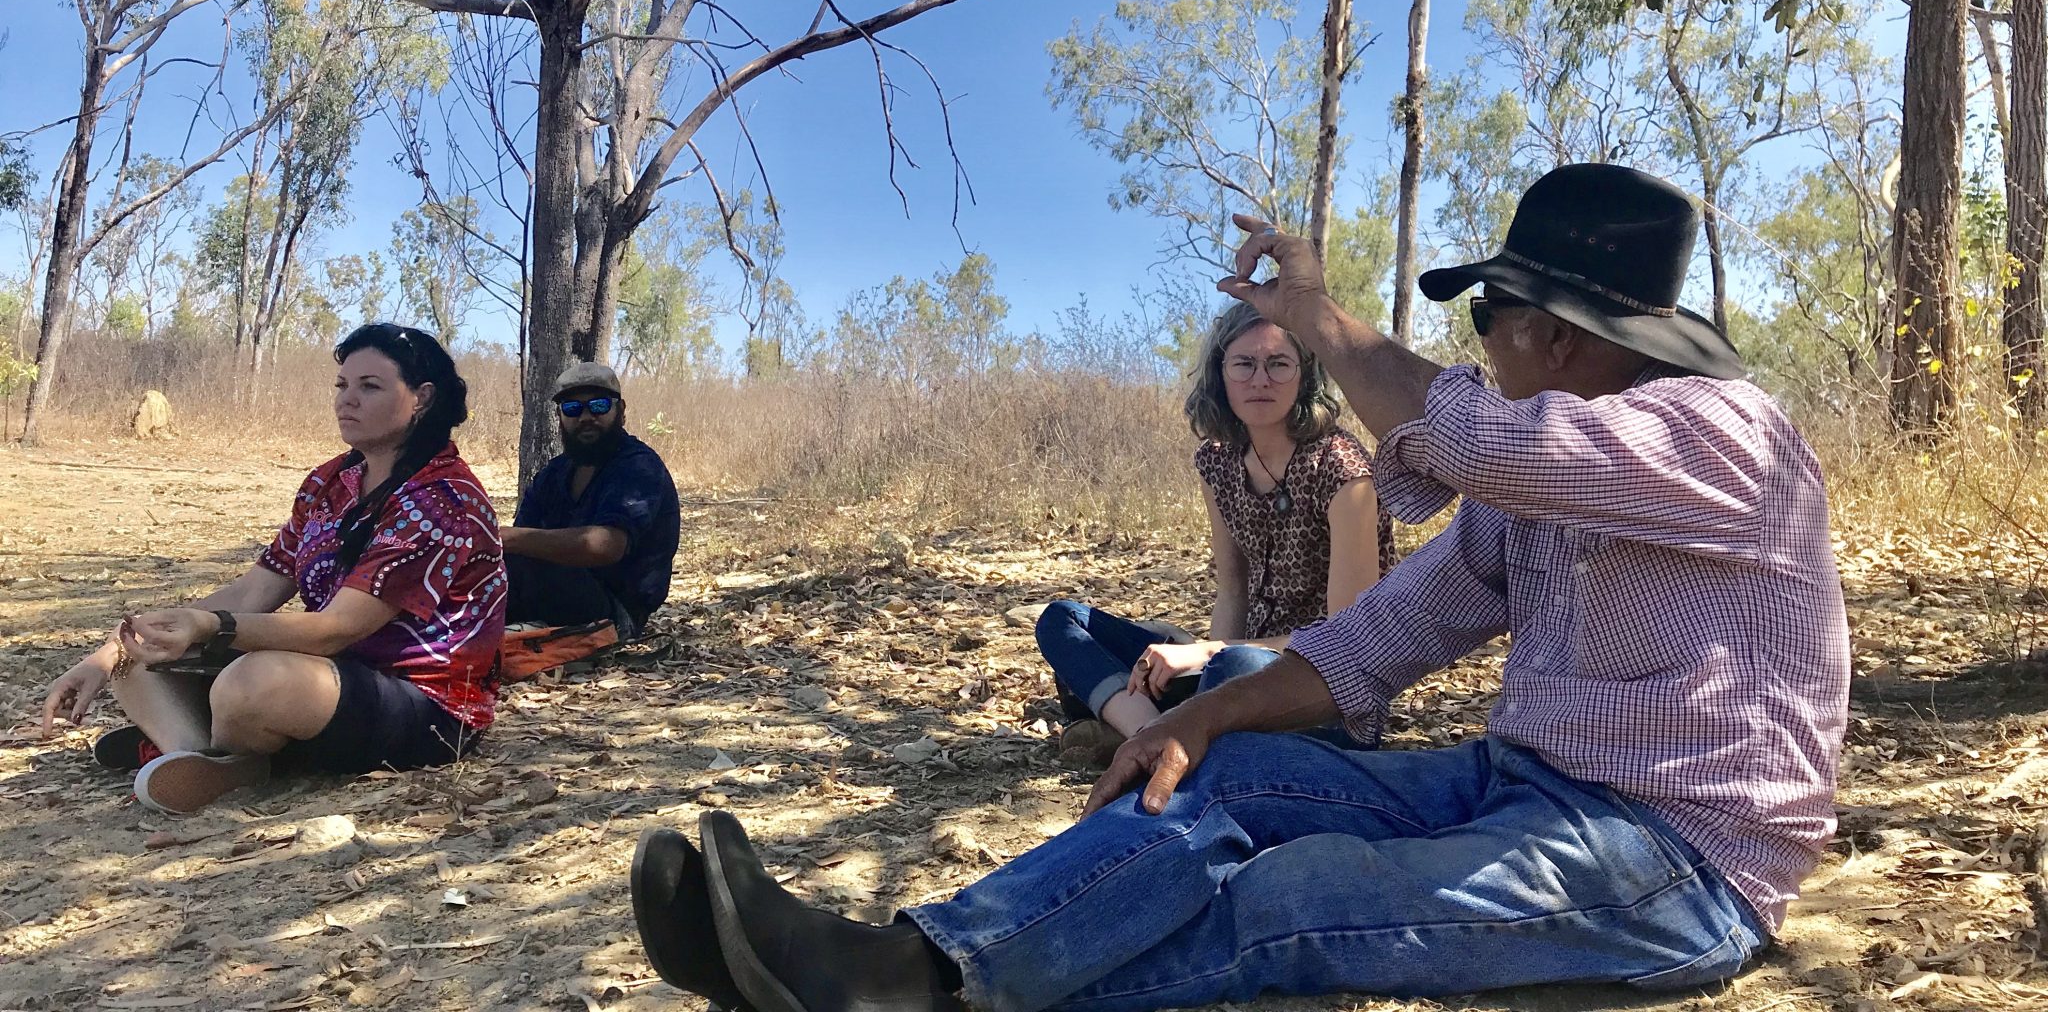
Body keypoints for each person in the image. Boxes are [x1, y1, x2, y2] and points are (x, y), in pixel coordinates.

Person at [627, 163, 1851, 1011]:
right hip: (1516, 783)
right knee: (1224, 773)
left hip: (1674, 858)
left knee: (1293, 895)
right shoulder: (1532, 487)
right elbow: (1381, 633)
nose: (1480, 336)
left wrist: (1320, 318)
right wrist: (1198, 716)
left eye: (1490, 310)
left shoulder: (1723, 434)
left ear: (1559, 334)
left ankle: (909, 992)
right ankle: (910, 960)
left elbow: (1472, 439)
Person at [41, 324, 506, 815]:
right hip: (327, 675)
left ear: (422, 399)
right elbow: (252, 593)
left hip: (425, 703)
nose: (347, 400)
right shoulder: (331, 481)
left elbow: (338, 628)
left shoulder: (443, 500)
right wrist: (107, 653)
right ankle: (199, 757)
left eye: (370, 386)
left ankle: (202, 743)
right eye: (342, 385)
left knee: (252, 681)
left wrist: (211, 627)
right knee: (136, 650)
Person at [1035, 301, 1391, 764]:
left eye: (1278, 364)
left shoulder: (1344, 471)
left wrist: (1209, 656)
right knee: (1063, 620)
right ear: (1220, 375)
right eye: (1243, 364)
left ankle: (1145, 731)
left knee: (1231, 665)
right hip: (1237, 667)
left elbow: (1346, 638)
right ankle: (1153, 735)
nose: (1260, 380)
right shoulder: (1217, 461)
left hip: (1320, 689)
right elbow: (1233, 590)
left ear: (1304, 376)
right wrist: (1205, 674)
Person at [499, 361, 680, 667]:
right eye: (572, 408)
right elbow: (517, 551)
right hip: (552, 596)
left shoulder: (639, 466)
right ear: (560, 417)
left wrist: (505, 538)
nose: (585, 417)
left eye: (598, 406)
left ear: (621, 410)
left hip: (613, 614)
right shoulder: (554, 473)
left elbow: (607, 545)